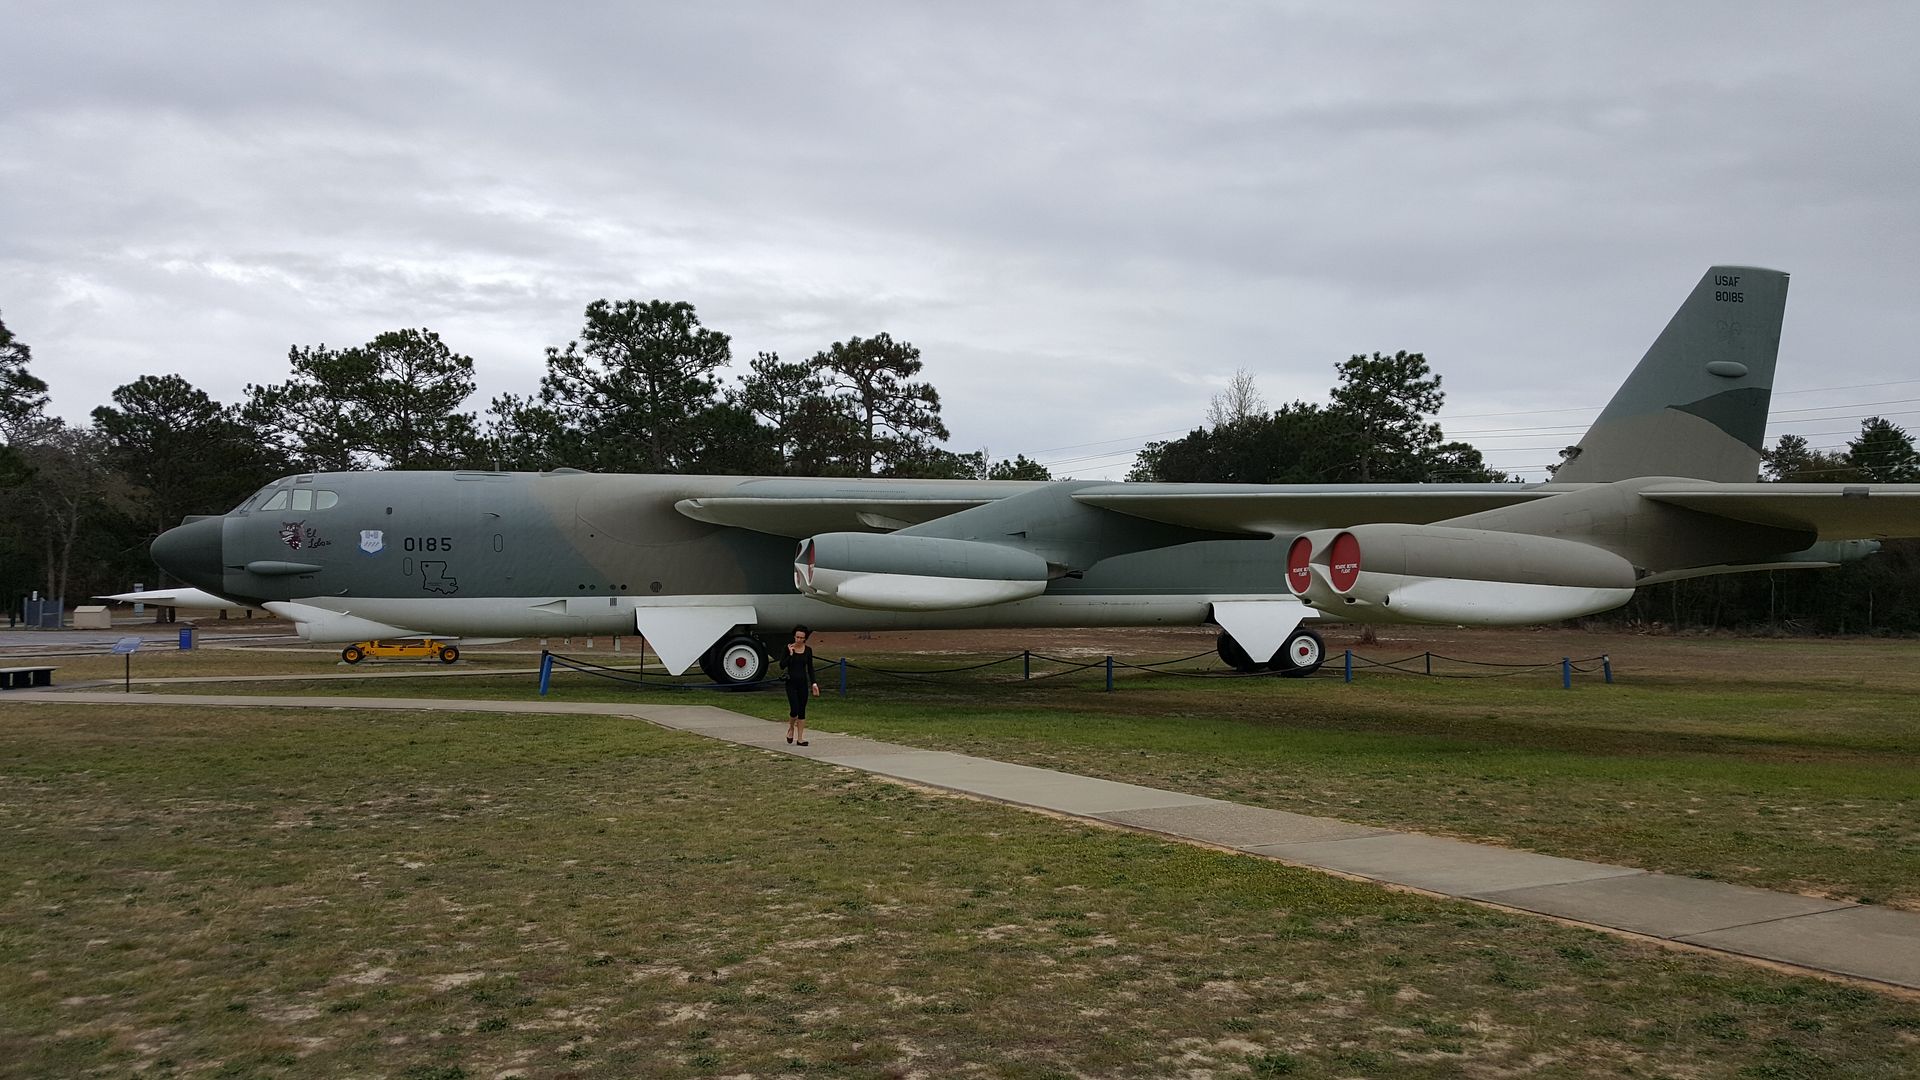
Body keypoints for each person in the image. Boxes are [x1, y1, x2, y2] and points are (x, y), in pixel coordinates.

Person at [780, 625, 820, 745]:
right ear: (794, 636)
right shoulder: (788, 648)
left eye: (801, 637)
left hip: (802, 683)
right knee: (794, 709)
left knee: (802, 710)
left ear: (805, 638)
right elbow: (782, 665)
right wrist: (791, 654)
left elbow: (810, 668)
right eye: (797, 637)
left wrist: (814, 683)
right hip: (791, 682)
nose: (798, 639)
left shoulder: (808, 650)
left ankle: (800, 738)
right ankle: (791, 728)